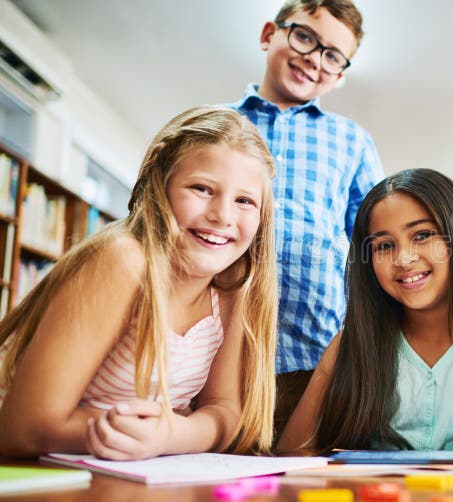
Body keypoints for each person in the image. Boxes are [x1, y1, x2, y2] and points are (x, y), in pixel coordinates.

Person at [0, 107, 278, 459]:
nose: (222, 215)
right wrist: (135, 434)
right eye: (202, 189)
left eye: (244, 201)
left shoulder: (232, 288)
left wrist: (174, 433)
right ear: (158, 188)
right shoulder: (124, 260)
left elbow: (226, 412)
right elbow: (22, 429)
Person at [277, 168, 453, 453]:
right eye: (384, 245)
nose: (404, 258)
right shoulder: (350, 344)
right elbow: (291, 454)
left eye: (422, 235)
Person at [227, 0, 383, 441]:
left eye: (334, 55)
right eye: (304, 37)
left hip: (311, 360)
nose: (315, 58)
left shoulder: (352, 141)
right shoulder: (217, 125)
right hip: (215, 356)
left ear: (339, 75)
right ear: (269, 34)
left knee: (304, 478)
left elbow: (373, 243)